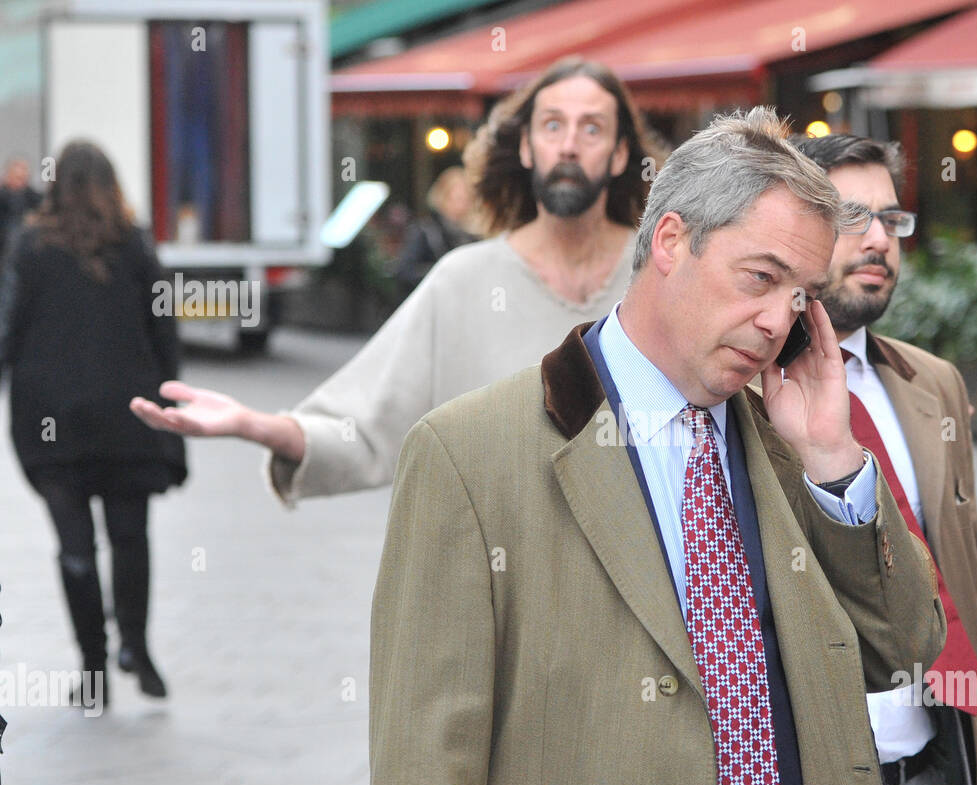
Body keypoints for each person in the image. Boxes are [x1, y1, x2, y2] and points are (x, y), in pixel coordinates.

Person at [369, 106, 946, 785]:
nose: (780, 321)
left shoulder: (785, 436)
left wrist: (835, 458)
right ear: (671, 240)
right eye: (762, 278)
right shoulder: (467, 454)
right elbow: (423, 780)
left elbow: (903, 651)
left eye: (801, 295)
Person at [130, 57, 666, 508]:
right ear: (526, 148)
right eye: (552, 125)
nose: (569, 145)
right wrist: (259, 426)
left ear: (620, 155)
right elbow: (365, 423)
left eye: (591, 128)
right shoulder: (462, 281)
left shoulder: (663, 278)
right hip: (507, 601)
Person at [793, 134, 977, 785]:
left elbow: (968, 579)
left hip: (937, 780)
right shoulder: (741, 396)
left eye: (891, 221)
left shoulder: (933, 386)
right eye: (850, 217)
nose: (877, 240)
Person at [0, 140, 186, 706]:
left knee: (75, 546)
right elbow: (165, 331)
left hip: (50, 421)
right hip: (127, 418)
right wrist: (169, 402)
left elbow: (7, 331)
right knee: (131, 535)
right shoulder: (134, 245)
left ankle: (93, 667)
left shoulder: (29, 247)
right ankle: (136, 644)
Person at [391, 166, 477, 298]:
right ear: (443, 197)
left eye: (467, 200)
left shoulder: (474, 234)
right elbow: (405, 272)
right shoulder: (426, 231)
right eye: (458, 199)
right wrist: (443, 274)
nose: (463, 205)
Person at [0, 156, 42, 264]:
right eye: (17, 177)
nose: (21, 182)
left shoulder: (30, 195)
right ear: (7, 176)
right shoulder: (3, 195)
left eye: (23, 178)